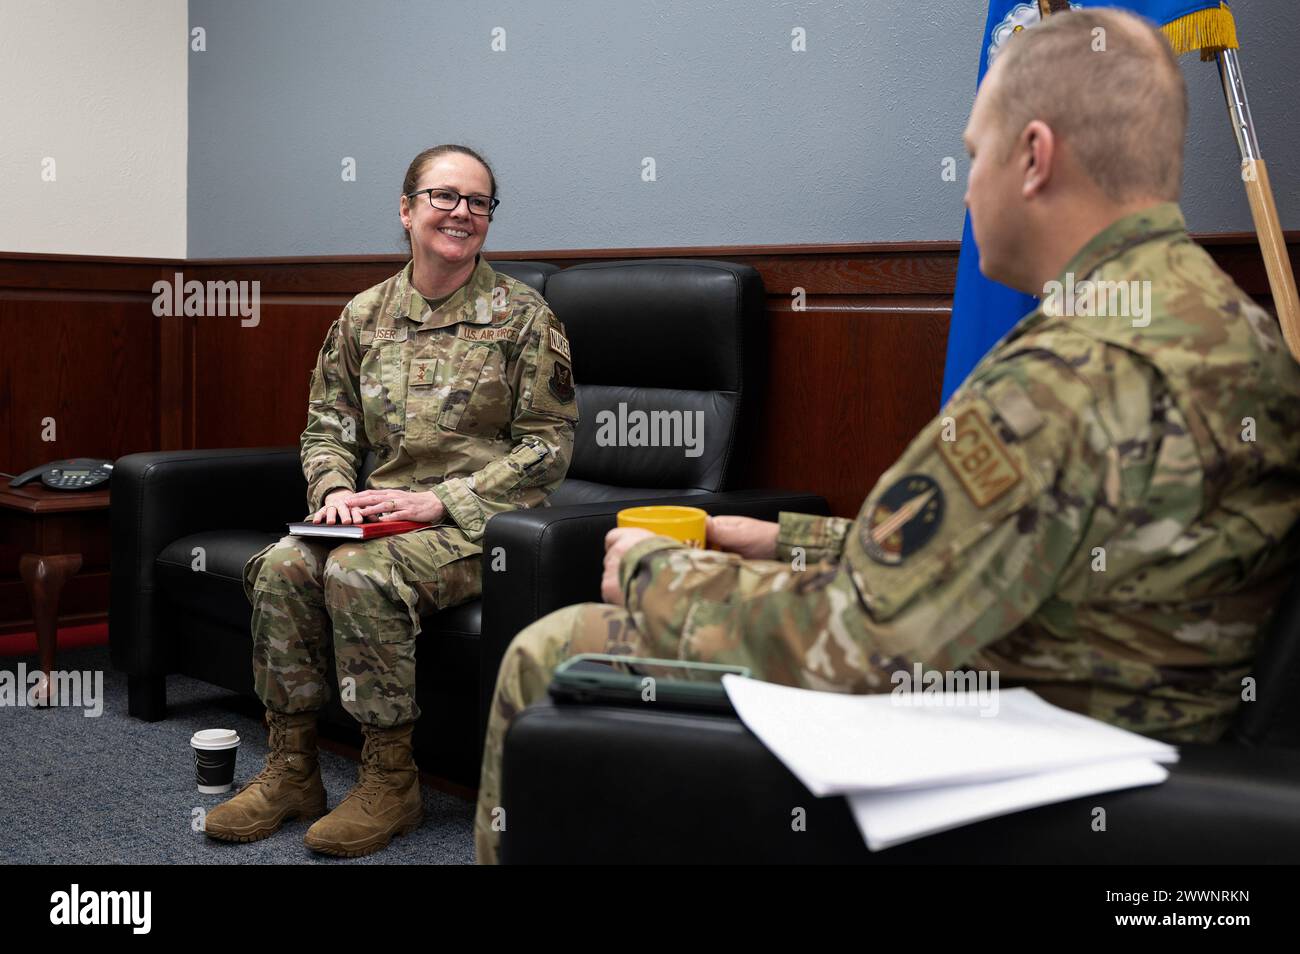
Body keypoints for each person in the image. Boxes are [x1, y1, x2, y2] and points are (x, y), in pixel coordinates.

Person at [474, 7, 1300, 863]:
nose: (969, 185)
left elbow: (864, 643)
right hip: (1120, 720)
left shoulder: (1069, 369)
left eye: (975, 155)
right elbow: (1005, 552)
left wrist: (655, 575)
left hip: (1028, 749)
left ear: (1034, 157)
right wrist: (784, 540)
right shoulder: (1221, 320)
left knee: (552, 649)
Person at [204, 144, 578, 857]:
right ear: (406, 210)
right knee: (282, 565)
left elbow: (548, 449)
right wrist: (336, 492)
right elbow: (327, 428)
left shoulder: (525, 318)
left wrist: (441, 505)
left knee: (360, 573)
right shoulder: (363, 316)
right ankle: (291, 769)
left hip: (484, 523)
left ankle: (390, 780)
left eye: (479, 202)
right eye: (444, 196)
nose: (461, 213)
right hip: (380, 515)